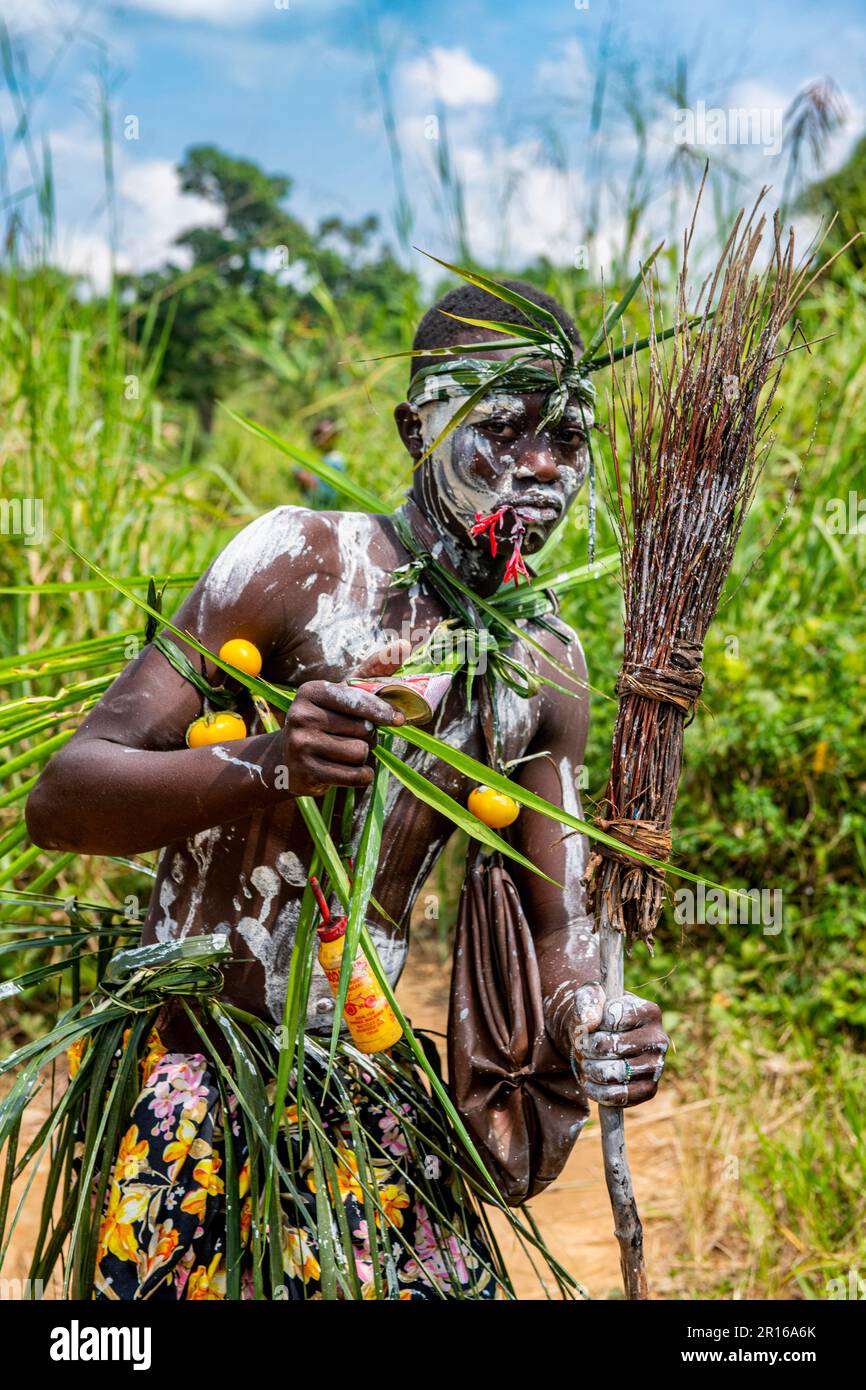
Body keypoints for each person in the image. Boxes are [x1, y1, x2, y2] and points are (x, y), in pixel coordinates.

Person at [26, 278, 669, 1300]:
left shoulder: (541, 662)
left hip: (367, 1088)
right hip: (197, 1078)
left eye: (568, 439)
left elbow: (557, 932)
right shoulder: (298, 564)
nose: (540, 466)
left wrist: (593, 1017)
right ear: (417, 427)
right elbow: (62, 801)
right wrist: (269, 761)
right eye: (503, 425)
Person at [294, 418, 347, 508]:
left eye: (325, 435)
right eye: (317, 435)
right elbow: (296, 469)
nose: (321, 439)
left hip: (328, 514)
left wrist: (309, 481)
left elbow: (332, 495)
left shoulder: (336, 460)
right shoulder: (320, 459)